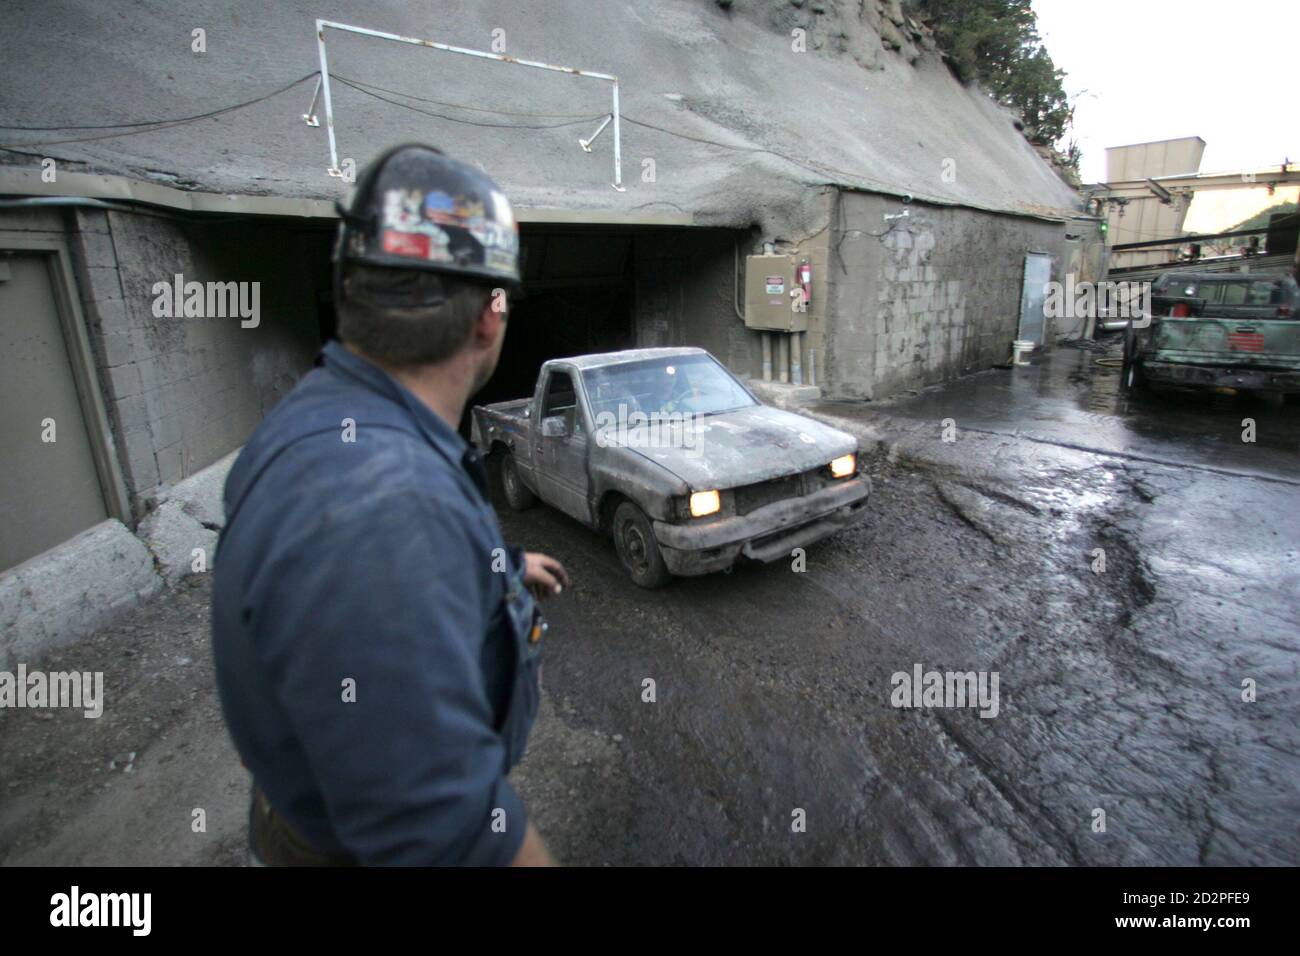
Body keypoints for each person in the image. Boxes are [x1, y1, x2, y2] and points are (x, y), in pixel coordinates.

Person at [211, 143, 568, 866]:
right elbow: (444, 835)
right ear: (488, 319)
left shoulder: (322, 423)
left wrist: (498, 565)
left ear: (349, 291)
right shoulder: (384, 510)